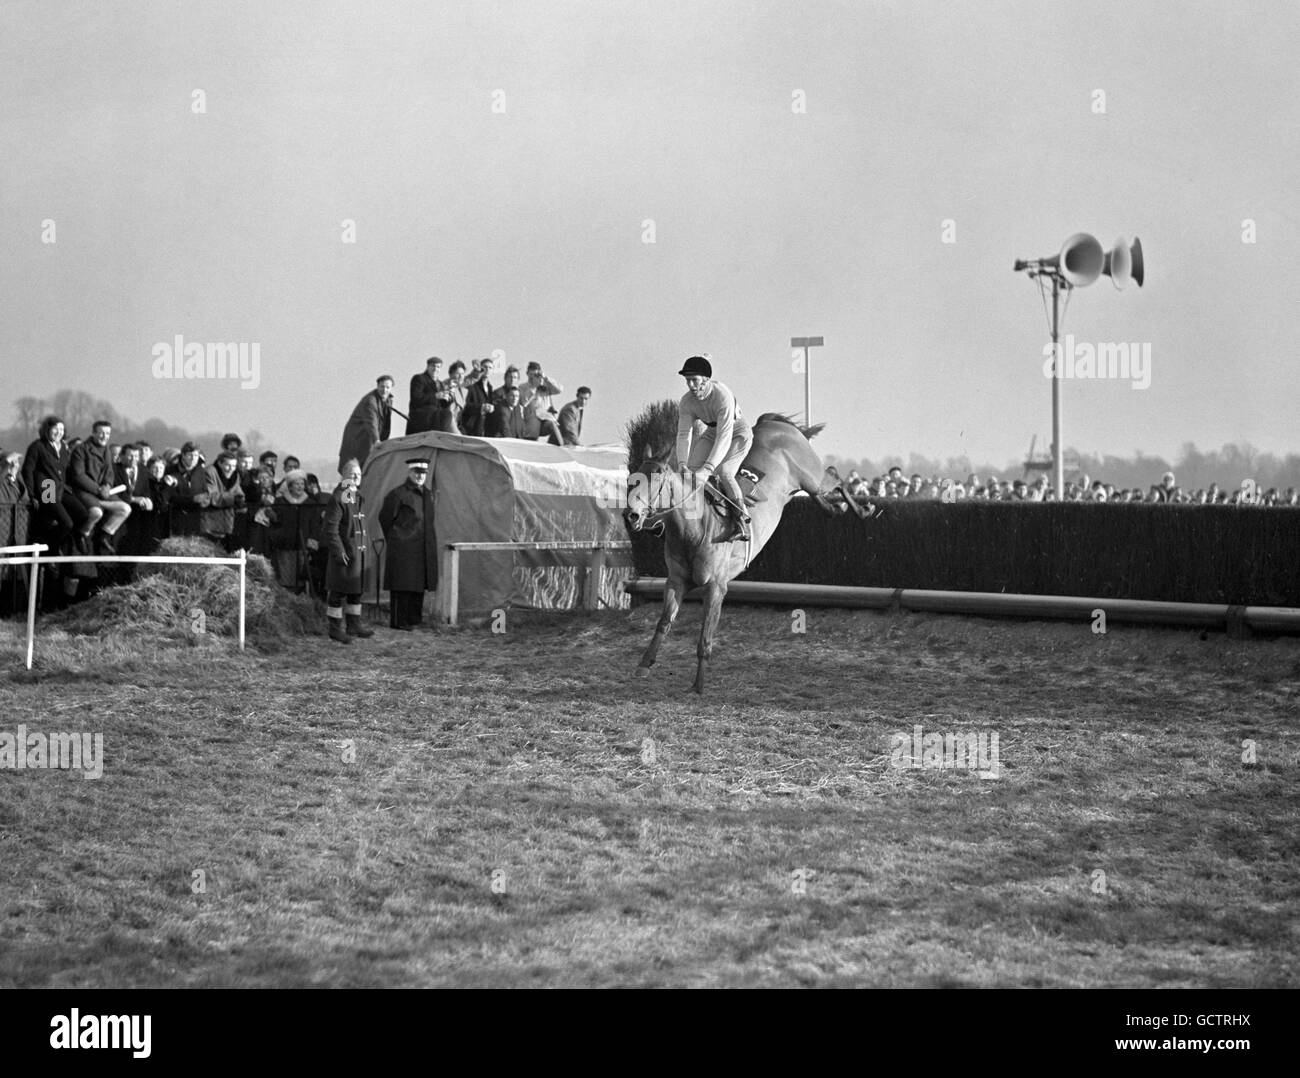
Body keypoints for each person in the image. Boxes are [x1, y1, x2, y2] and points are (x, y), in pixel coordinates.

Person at [674, 354, 753, 542]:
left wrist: (708, 469)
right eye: (687, 381)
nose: (691, 386)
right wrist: (682, 463)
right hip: (712, 432)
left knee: (724, 472)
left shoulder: (722, 395)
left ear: (706, 380)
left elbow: (724, 437)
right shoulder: (686, 402)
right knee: (690, 473)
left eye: (694, 380)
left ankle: (742, 521)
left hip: (737, 433)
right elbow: (684, 434)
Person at [378, 458, 438, 630]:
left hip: (422, 546)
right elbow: (385, 518)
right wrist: (397, 537)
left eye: (423, 473)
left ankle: (413, 618)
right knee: (402, 584)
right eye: (416, 473)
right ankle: (399, 621)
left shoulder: (428, 494)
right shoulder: (397, 494)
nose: (420, 476)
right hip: (403, 548)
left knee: (418, 584)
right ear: (409, 472)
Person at [324, 458, 374, 644]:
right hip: (345, 554)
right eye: (352, 474)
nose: (356, 477)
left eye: (359, 475)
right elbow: (330, 529)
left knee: (356, 591)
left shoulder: (358, 496)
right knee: (337, 593)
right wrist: (339, 551)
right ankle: (334, 629)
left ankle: (354, 625)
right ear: (344, 476)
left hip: (358, 555)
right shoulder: (338, 497)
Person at [68, 419, 132, 554]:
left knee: (125, 509)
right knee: (96, 512)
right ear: (93, 433)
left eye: (108, 433)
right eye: (101, 433)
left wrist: (107, 486)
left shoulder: (107, 451)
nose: (104, 436)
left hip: (101, 492)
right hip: (85, 491)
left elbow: (109, 473)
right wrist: (98, 489)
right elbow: (78, 476)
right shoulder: (80, 450)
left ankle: (104, 535)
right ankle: (83, 533)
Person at [338, 376, 394, 472]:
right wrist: (377, 440)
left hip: (368, 441)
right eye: (382, 387)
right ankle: (343, 487)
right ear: (377, 386)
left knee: (364, 472)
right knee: (351, 472)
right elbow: (372, 422)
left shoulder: (388, 400)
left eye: (387, 387)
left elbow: (385, 424)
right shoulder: (370, 401)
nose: (384, 390)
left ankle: (361, 486)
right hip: (357, 441)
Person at [519, 362, 564, 444]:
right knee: (531, 439)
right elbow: (524, 403)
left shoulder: (545, 386)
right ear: (527, 374)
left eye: (536, 375)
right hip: (531, 419)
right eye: (531, 374)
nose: (533, 377)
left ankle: (561, 447)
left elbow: (559, 390)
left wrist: (545, 378)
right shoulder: (522, 387)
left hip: (545, 417)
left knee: (553, 426)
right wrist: (533, 388)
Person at [407, 356, 445, 435]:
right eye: (433, 366)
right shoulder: (419, 379)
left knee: (447, 414)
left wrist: (448, 398)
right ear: (428, 366)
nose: (435, 369)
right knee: (446, 415)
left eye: (438, 367)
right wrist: (435, 396)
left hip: (435, 420)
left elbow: (442, 405)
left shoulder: (440, 384)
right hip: (421, 419)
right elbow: (416, 399)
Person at [460, 358, 496, 436]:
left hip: (485, 429)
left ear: (493, 371)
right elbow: (464, 404)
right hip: (470, 428)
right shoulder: (471, 384)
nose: (487, 370)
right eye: (485, 367)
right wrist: (481, 407)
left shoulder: (490, 388)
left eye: (490, 368)